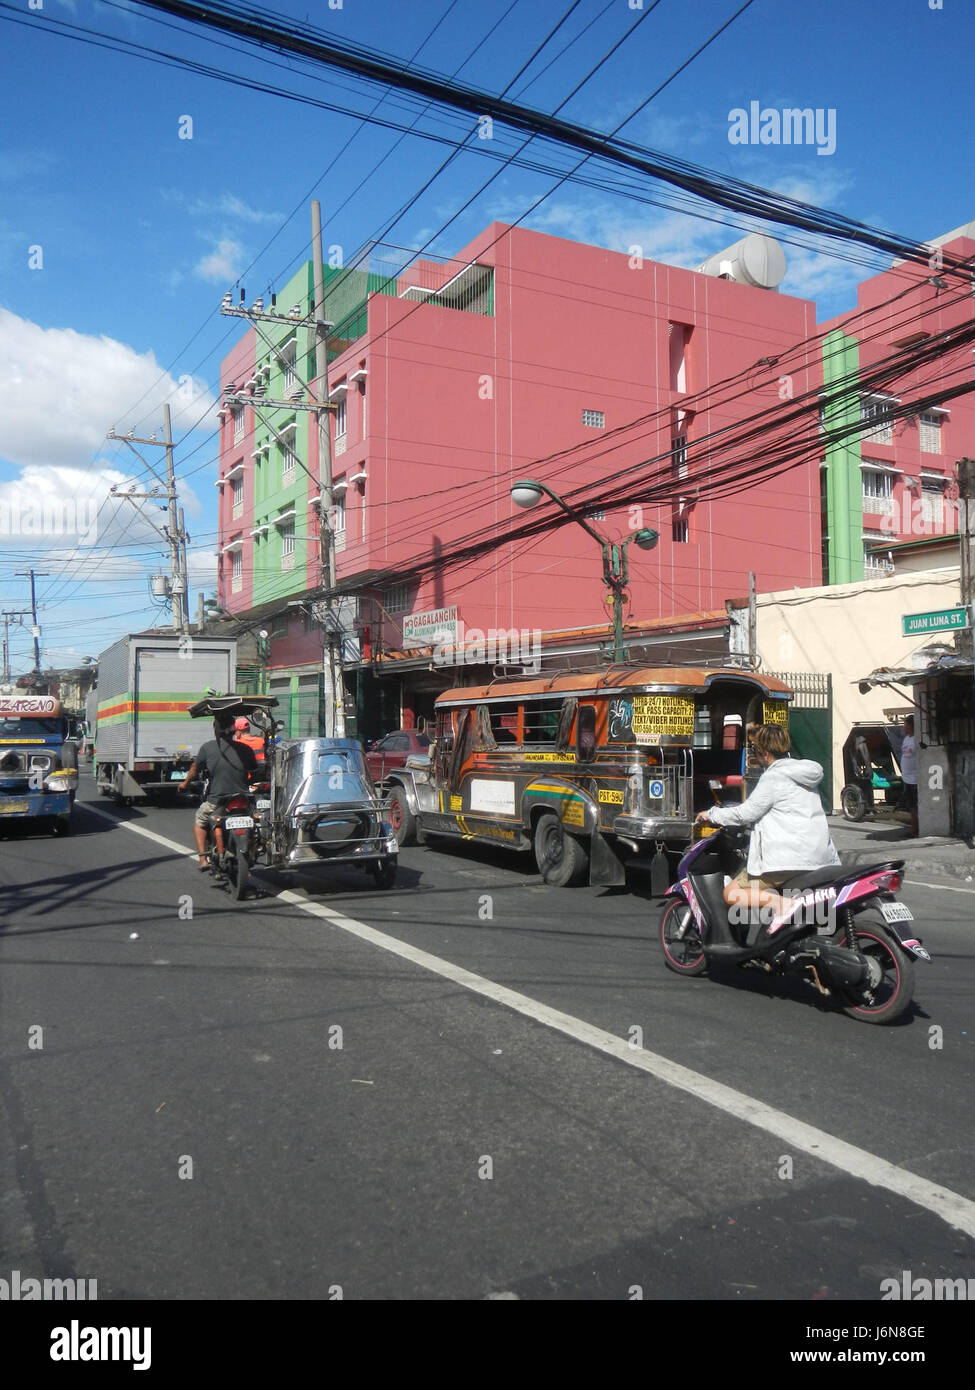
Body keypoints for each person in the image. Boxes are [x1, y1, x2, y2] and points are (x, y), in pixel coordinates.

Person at [695, 723, 840, 929]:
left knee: (732, 892)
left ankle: (781, 904)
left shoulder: (773, 777)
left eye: (755, 750)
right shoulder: (806, 774)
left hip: (786, 862)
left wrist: (711, 814)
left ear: (764, 753)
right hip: (821, 858)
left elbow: (746, 813)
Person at [180, 716, 259, 870]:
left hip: (217, 801)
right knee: (256, 820)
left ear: (215, 730)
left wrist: (185, 783)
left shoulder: (207, 748)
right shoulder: (245, 749)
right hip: (244, 799)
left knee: (200, 820)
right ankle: (253, 848)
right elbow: (255, 772)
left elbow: (194, 769)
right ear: (234, 730)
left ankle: (203, 859)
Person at [899, 714, 918, 834]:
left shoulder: (917, 739)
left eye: (905, 724)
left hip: (915, 779)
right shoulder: (906, 739)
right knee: (910, 805)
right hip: (906, 778)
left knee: (916, 805)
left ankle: (916, 829)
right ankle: (914, 828)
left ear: (911, 725)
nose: (903, 726)